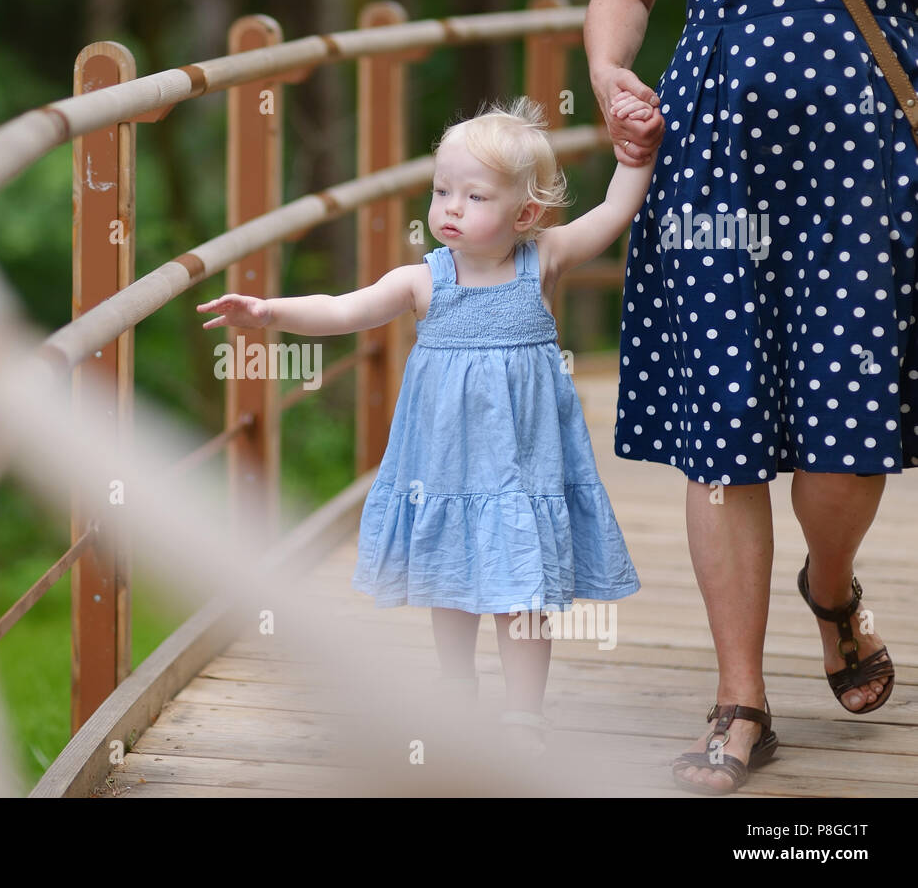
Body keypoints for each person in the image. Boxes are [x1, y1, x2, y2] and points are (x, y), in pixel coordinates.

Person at [197, 95, 654, 753]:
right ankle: (455, 687)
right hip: (448, 462)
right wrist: (269, 313)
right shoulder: (423, 280)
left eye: (474, 196)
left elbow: (614, 211)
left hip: (525, 460)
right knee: (453, 570)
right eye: (442, 191)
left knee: (521, 580)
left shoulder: (542, 260)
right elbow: (341, 308)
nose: (450, 208)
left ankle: (524, 712)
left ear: (525, 213)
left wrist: (634, 155)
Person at [586, 0, 912, 794]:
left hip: (867, 154)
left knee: (849, 441)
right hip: (718, 155)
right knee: (725, 439)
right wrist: (608, 71)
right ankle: (741, 700)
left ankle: (831, 585)